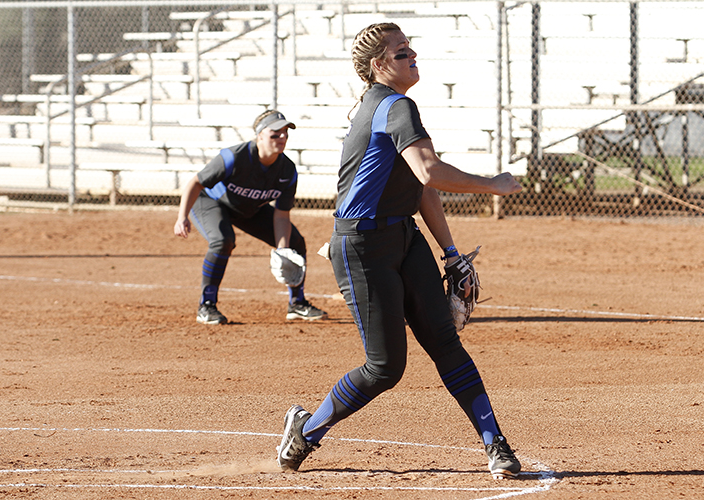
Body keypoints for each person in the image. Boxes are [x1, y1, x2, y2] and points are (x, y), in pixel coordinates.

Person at [274, 23, 524, 479]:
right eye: (402, 51)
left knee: (446, 344)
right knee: (385, 367)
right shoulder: (394, 105)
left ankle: (496, 445)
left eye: (411, 49)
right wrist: (494, 185)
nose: (412, 56)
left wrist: (449, 250)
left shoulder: (392, 107)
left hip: (403, 238)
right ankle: (305, 430)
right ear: (380, 66)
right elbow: (429, 171)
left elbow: (419, 185)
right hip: (362, 247)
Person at [173, 110, 327, 324]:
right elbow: (195, 183)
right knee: (223, 240)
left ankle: (297, 303)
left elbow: (282, 216)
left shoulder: (287, 170)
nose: (282, 138)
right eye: (275, 134)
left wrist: (283, 250)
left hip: (249, 209)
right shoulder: (234, 157)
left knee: (295, 242)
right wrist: (182, 217)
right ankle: (206, 306)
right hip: (210, 201)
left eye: (285, 133)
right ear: (260, 136)